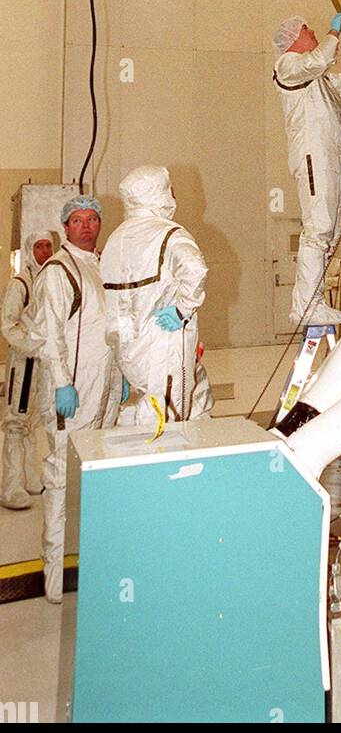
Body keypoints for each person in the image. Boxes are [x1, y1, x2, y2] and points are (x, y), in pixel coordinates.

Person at [30, 196, 122, 603]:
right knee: (60, 480)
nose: (85, 226)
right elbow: (50, 335)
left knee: (97, 481)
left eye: (92, 219)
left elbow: (111, 328)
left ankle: (92, 568)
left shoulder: (102, 265)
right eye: (77, 220)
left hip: (104, 393)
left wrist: (119, 377)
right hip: (72, 396)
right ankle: (53, 578)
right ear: (64, 228)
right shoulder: (58, 271)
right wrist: (62, 382)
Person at [273, 13, 341, 328]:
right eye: (307, 28)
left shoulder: (313, 78)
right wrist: (335, 31)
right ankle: (306, 306)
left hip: (332, 159)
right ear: (294, 38)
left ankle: (313, 301)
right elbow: (317, 60)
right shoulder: (287, 66)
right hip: (315, 159)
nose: (313, 31)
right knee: (318, 230)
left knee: (327, 233)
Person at [101, 165, 213, 427]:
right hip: (164, 346)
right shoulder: (169, 233)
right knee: (167, 421)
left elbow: (115, 306)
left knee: (191, 406)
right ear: (160, 193)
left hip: (129, 350)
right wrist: (182, 309)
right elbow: (195, 270)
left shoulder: (115, 240)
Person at [0, 230, 54, 510]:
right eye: (39, 247)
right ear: (29, 250)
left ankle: (31, 478)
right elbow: (8, 324)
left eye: (48, 246)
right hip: (23, 363)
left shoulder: (51, 279)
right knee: (15, 423)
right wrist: (29, 345)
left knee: (33, 420)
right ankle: (10, 487)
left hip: (42, 361)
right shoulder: (21, 283)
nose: (44, 251)